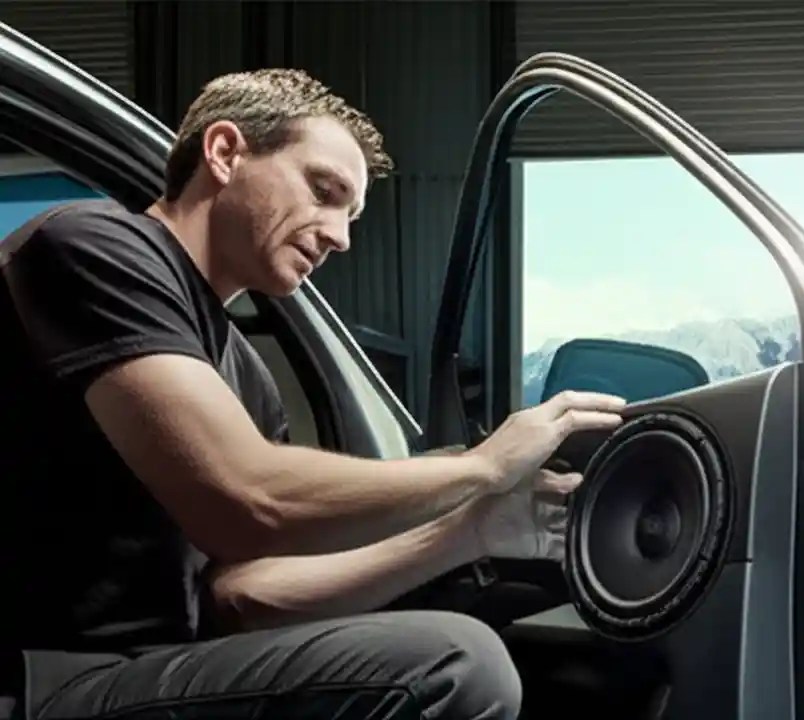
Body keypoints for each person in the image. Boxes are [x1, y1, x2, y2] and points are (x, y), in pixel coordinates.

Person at [0, 69, 624, 719]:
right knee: (455, 660)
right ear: (224, 152)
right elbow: (249, 496)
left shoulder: (246, 379)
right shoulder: (93, 246)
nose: (340, 236)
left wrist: (469, 531)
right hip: (39, 677)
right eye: (324, 192)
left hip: (147, 673)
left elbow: (245, 598)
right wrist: (481, 467)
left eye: (350, 216)